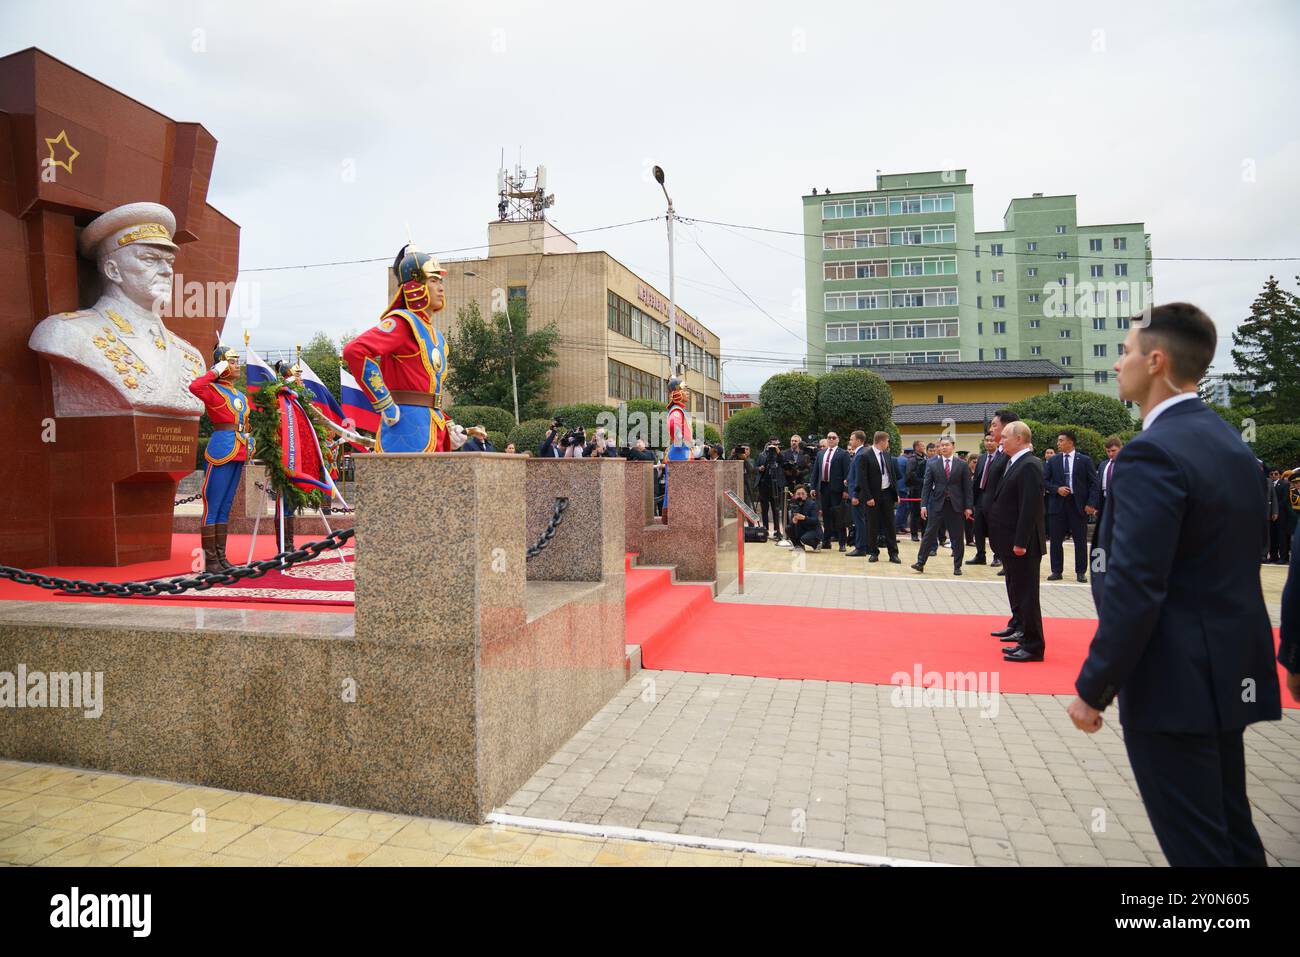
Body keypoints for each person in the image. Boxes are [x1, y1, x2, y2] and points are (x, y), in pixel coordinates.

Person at [1069, 302, 1281, 867]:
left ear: (1156, 361)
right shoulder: (1228, 442)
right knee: (1232, 835)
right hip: (1226, 670)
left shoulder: (1152, 453)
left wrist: (1096, 685)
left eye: (1126, 351)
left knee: (1200, 854)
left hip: (1174, 682)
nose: (1118, 364)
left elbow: (1138, 585)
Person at [342, 244, 452, 453]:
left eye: (441, 281)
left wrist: (448, 424)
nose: (441, 287)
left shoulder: (435, 335)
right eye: (433, 280)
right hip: (406, 427)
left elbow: (426, 390)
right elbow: (355, 351)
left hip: (433, 426)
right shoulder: (402, 323)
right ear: (415, 286)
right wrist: (385, 403)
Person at [987, 421, 1046, 661]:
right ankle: (1024, 638)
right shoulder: (1016, 463)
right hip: (1010, 542)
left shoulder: (1030, 465)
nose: (1001, 441)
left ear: (1019, 439)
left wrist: (1020, 541)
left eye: (1005, 438)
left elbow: (1029, 508)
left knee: (1027, 596)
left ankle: (1033, 646)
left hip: (1023, 545)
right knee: (1019, 593)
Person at [189, 343, 249, 572]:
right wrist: (215, 370)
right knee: (213, 505)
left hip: (239, 448)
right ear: (222, 364)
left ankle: (222, 558)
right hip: (221, 450)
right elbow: (195, 386)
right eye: (231, 361)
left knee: (225, 505)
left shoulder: (240, 395)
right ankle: (210, 560)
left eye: (236, 361)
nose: (237, 365)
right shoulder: (213, 390)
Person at [912, 436, 973, 575]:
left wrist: (968, 507)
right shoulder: (933, 464)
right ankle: (920, 563)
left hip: (956, 506)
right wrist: (923, 505)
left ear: (953, 446)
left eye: (946, 445)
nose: (943, 447)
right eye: (941, 445)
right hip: (936, 504)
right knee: (929, 534)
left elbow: (967, 488)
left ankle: (957, 566)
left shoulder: (962, 465)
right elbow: (926, 486)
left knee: (957, 536)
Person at [1044, 429, 1097, 583]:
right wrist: (1056, 489)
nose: (1058, 443)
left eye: (1061, 440)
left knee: (1080, 540)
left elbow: (1094, 483)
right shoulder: (1053, 461)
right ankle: (1056, 571)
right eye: (1058, 441)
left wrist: (1091, 504)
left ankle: (1081, 572)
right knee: (1055, 540)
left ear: (1070, 442)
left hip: (1078, 505)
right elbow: (1044, 480)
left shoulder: (1085, 460)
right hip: (1058, 505)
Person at [857, 430, 901, 563]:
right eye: (887, 441)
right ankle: (873, 552)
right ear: (881, 441)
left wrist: (896, 494)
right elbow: (862, 479)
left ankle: (893, 553)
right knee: (872, 525)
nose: (888, 444)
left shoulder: (887, 455)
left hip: (887, 493)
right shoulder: (865, 456)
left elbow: (892, 476)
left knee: (890, 524)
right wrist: (868, 497)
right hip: (873, 496)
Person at [813, 431, 850, 551]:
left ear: (838, 439)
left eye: (833, 437)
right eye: (829, 437)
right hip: (823, 487)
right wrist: (813, 487)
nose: (831, 439)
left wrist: (846, 490)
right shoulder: (821, 453)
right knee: (826, 515)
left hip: (837, 489)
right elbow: (816, 472)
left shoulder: (843, 454)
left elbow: (847, 473)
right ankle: (826, 541)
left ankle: (842, 542)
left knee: (838, 515)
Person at [1088, 435, 1123, 551]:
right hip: (1104, 503)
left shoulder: (1126, 465)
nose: (1111, 454)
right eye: (1108, 451)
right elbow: (1098, 487)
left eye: (1113, 451)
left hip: (1120, 504)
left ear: (1120, 448)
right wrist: (1096, 506)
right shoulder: (1103, 465)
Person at [968, 431, 998, 565]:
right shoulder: (981, 458)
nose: (989, 442)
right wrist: (971, 502)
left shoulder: (1002, 458)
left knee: (994, 530)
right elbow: (976, 480)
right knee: (978, 528)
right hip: (980, 498)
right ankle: (980, 555)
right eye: (986, 440)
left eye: (992, 440)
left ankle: (998, 556)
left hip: (994, 500)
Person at [756, 438, 786, 541]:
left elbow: (783, 463)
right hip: (764, 484)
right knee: (764, 509)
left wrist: (778, 453)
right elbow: (757, 466)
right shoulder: (762, 455)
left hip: (776, 484)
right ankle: (765, 530)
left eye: (776, 445)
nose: (774, 447)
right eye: (772, 445)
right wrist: (760, 468)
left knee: (776, 509)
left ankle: (777, 530)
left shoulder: (780, 454)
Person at [845, 431, 867, 555]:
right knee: (860, 521)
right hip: (856, 491)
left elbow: (860, 476)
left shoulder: (860, 454)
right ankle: (862, 546)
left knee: (859, 521)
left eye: (852, 439)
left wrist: (856, 495)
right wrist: (848, 479)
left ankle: (860, 547)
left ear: (858, 441)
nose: (850, 441)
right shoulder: (861, 453)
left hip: (857, 494)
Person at [1269, 467, 1296, 564]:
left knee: (1282, 536)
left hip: (1282, 514)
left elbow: (1284, 500)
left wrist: (1274, 509)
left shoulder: (1284, 484)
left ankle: (1284, 557)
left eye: (1276, 474)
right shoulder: (1268, 484)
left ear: (1280, 475)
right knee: (1272, 535)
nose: (1273, 476)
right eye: (1271, 474)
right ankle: (1273, 556)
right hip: (1270, 515)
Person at [787, 485, 822, 551]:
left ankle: (817, 544)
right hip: (801, 528)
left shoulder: (812, 504)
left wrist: (804, 518)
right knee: (788, 528)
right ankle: (798, 546)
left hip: (813, 530)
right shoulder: (794, 504)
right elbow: (791, 522)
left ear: (807, 495)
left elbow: (815, 520)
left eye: (803, 493)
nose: (801, 496)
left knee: (805, 538)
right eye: (798, 494)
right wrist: (793, 521)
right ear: (794, 495)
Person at [905, 441, 928, 541]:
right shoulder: (912, 459)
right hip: (915, 490)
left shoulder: (925, 458)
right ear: (917, 447)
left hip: (923, 490)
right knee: (915, 513)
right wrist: (923, 481)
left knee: (924, 512)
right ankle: (914, 534)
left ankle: (924, 533)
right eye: (922, 446)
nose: (924, 447)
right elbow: (910, 475)